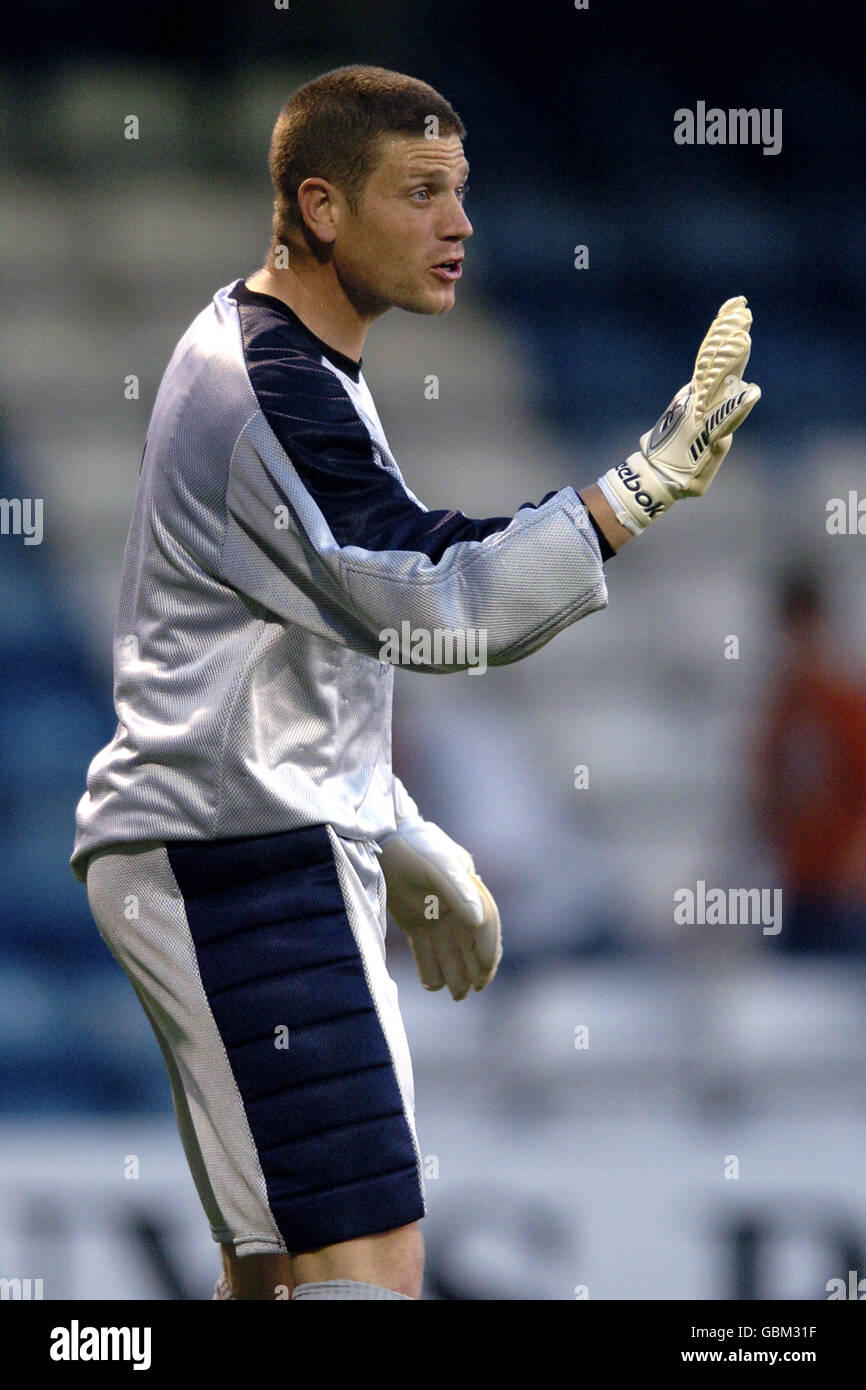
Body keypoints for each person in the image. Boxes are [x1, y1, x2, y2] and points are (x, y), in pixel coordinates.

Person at [70, 64, 760, 1301]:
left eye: (463, 191)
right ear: (321, 208)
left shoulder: (287, 357)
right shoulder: (267, 384)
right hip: (239, 860)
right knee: (365, 1273)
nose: (461, 225)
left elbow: (300, 644)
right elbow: (435, 601)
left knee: (283, 1277)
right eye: (422, 193)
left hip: (246, 840)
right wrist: (636, 489)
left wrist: (387, 823)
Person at [752, 567, 866, 955]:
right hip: (797, 888)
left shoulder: (845, 703)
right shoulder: (780, 709)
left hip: (845, 892)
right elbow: (765, 796)